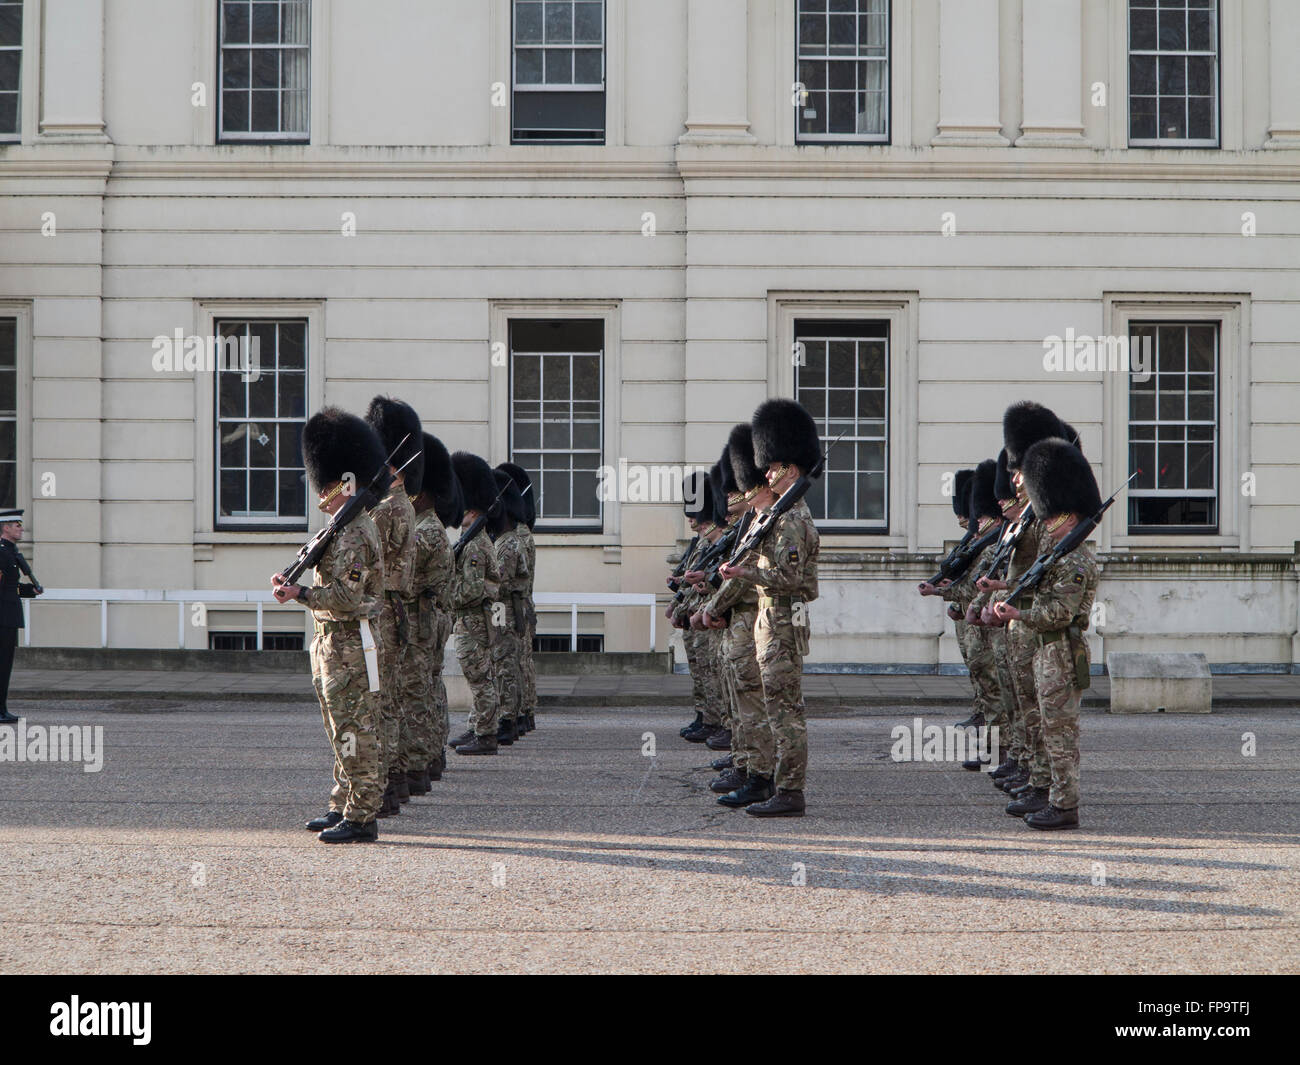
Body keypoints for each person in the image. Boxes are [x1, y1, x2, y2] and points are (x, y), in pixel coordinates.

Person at [272, 408, 387, 844]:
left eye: (328, 482)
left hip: (351, 644)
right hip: (330, 643)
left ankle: (362, 816)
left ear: (346, 482)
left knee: (356, 730)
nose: (322, 491)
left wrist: (300, 595)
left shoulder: (356, 532)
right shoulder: (338, 530)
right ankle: (342, 802)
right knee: (338, 729)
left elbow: (346, 597)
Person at [715, 398, 822, 818]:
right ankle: (766, 779)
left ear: (791, 470)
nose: (767, 474)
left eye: (774, 467)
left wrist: (744, 575)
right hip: (767, 618)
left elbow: (791, 578)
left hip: (782, 618)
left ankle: (790, 790)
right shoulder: (778, 515)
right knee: (766, 705)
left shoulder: (793, 519)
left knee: (784, 711)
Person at [991, 436, 1101, 830]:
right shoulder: (1059, 554)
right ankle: (1051, 794)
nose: (1047, 524)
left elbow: (1059, 611)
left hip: (1061, 651)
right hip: (1044, 651)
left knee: (1059, 735)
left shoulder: (1077, 560)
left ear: (1069, 515)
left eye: (1053, 517)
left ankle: (1065, 805)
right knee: (1044, 727)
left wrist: (1015, 611)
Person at [698, 425, 772, 808]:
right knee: (741, 700)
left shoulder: (773, 521)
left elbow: (752, 576)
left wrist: (712, 607)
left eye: (734, 488)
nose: (729, 496)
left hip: (757, 626)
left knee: (757, 704)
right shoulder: (749, 524)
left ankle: (763, 775)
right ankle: (748, 764)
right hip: (739, 625)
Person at [364, 397, 422, 817]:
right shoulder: (403, 506)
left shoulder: (387, 510)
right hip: (394, 608)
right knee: (392, 701)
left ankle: (379, 788)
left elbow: (368, 565)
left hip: (380, 611)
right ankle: (394, 781)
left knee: (377, 703)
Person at [410, 432, 463, 783]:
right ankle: (431, 755)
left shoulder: (423, 531)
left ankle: (417, 763)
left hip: (421, 620)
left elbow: (406, 581)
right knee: (429, 688)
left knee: (416, 695)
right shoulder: (432, 528)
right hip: (432, 618)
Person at [447, 452, 504, 755]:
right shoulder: (473, 541)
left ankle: (486, 734)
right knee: (477, 677)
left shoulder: (475, 546)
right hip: (470, 620)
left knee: (480, 678)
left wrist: (445, 592)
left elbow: (471, 588)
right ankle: (476, 726)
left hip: (473, 620)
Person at [489, 470, 530, 746]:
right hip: (503, 612)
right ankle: (508, 718)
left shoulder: (508, 545)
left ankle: (507, 720)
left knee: (504, 668)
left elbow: (499, 582)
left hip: (503, 611)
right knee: (504, 667)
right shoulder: (506, 541)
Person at [496, 462, 537, 733]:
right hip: (521, 604)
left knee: (511, 663)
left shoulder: (514, 537)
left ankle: (514, 715)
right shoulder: (523, 533)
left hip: (513, 606)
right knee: (521, 662)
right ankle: (524, 713)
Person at [0, 509, 42, 725]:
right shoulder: (1, 553)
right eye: (17, 525)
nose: (21, 528)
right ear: (5, 528)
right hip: (2, 617)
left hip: (8, 616)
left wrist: (28, 590)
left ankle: (2, 708)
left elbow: (10, 587)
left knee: (5, 665)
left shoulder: (10, 551)